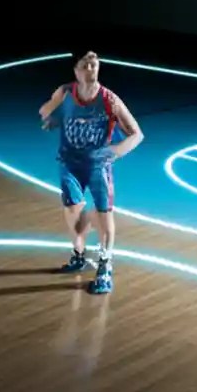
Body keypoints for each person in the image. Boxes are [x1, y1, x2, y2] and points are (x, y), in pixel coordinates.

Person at [38, 50, 144, 295]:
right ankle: (79, 255)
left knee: (105, 215)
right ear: (76, 71)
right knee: (75, 221)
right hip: (68, 163)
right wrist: (54, 118)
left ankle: (105, 266)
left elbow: (137, 134)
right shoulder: (64, 93)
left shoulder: (109, 100)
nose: (91, 67)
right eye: (85, 64)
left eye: (94, 64)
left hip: (98, 165)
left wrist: (116, 150)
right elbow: (44, 112)